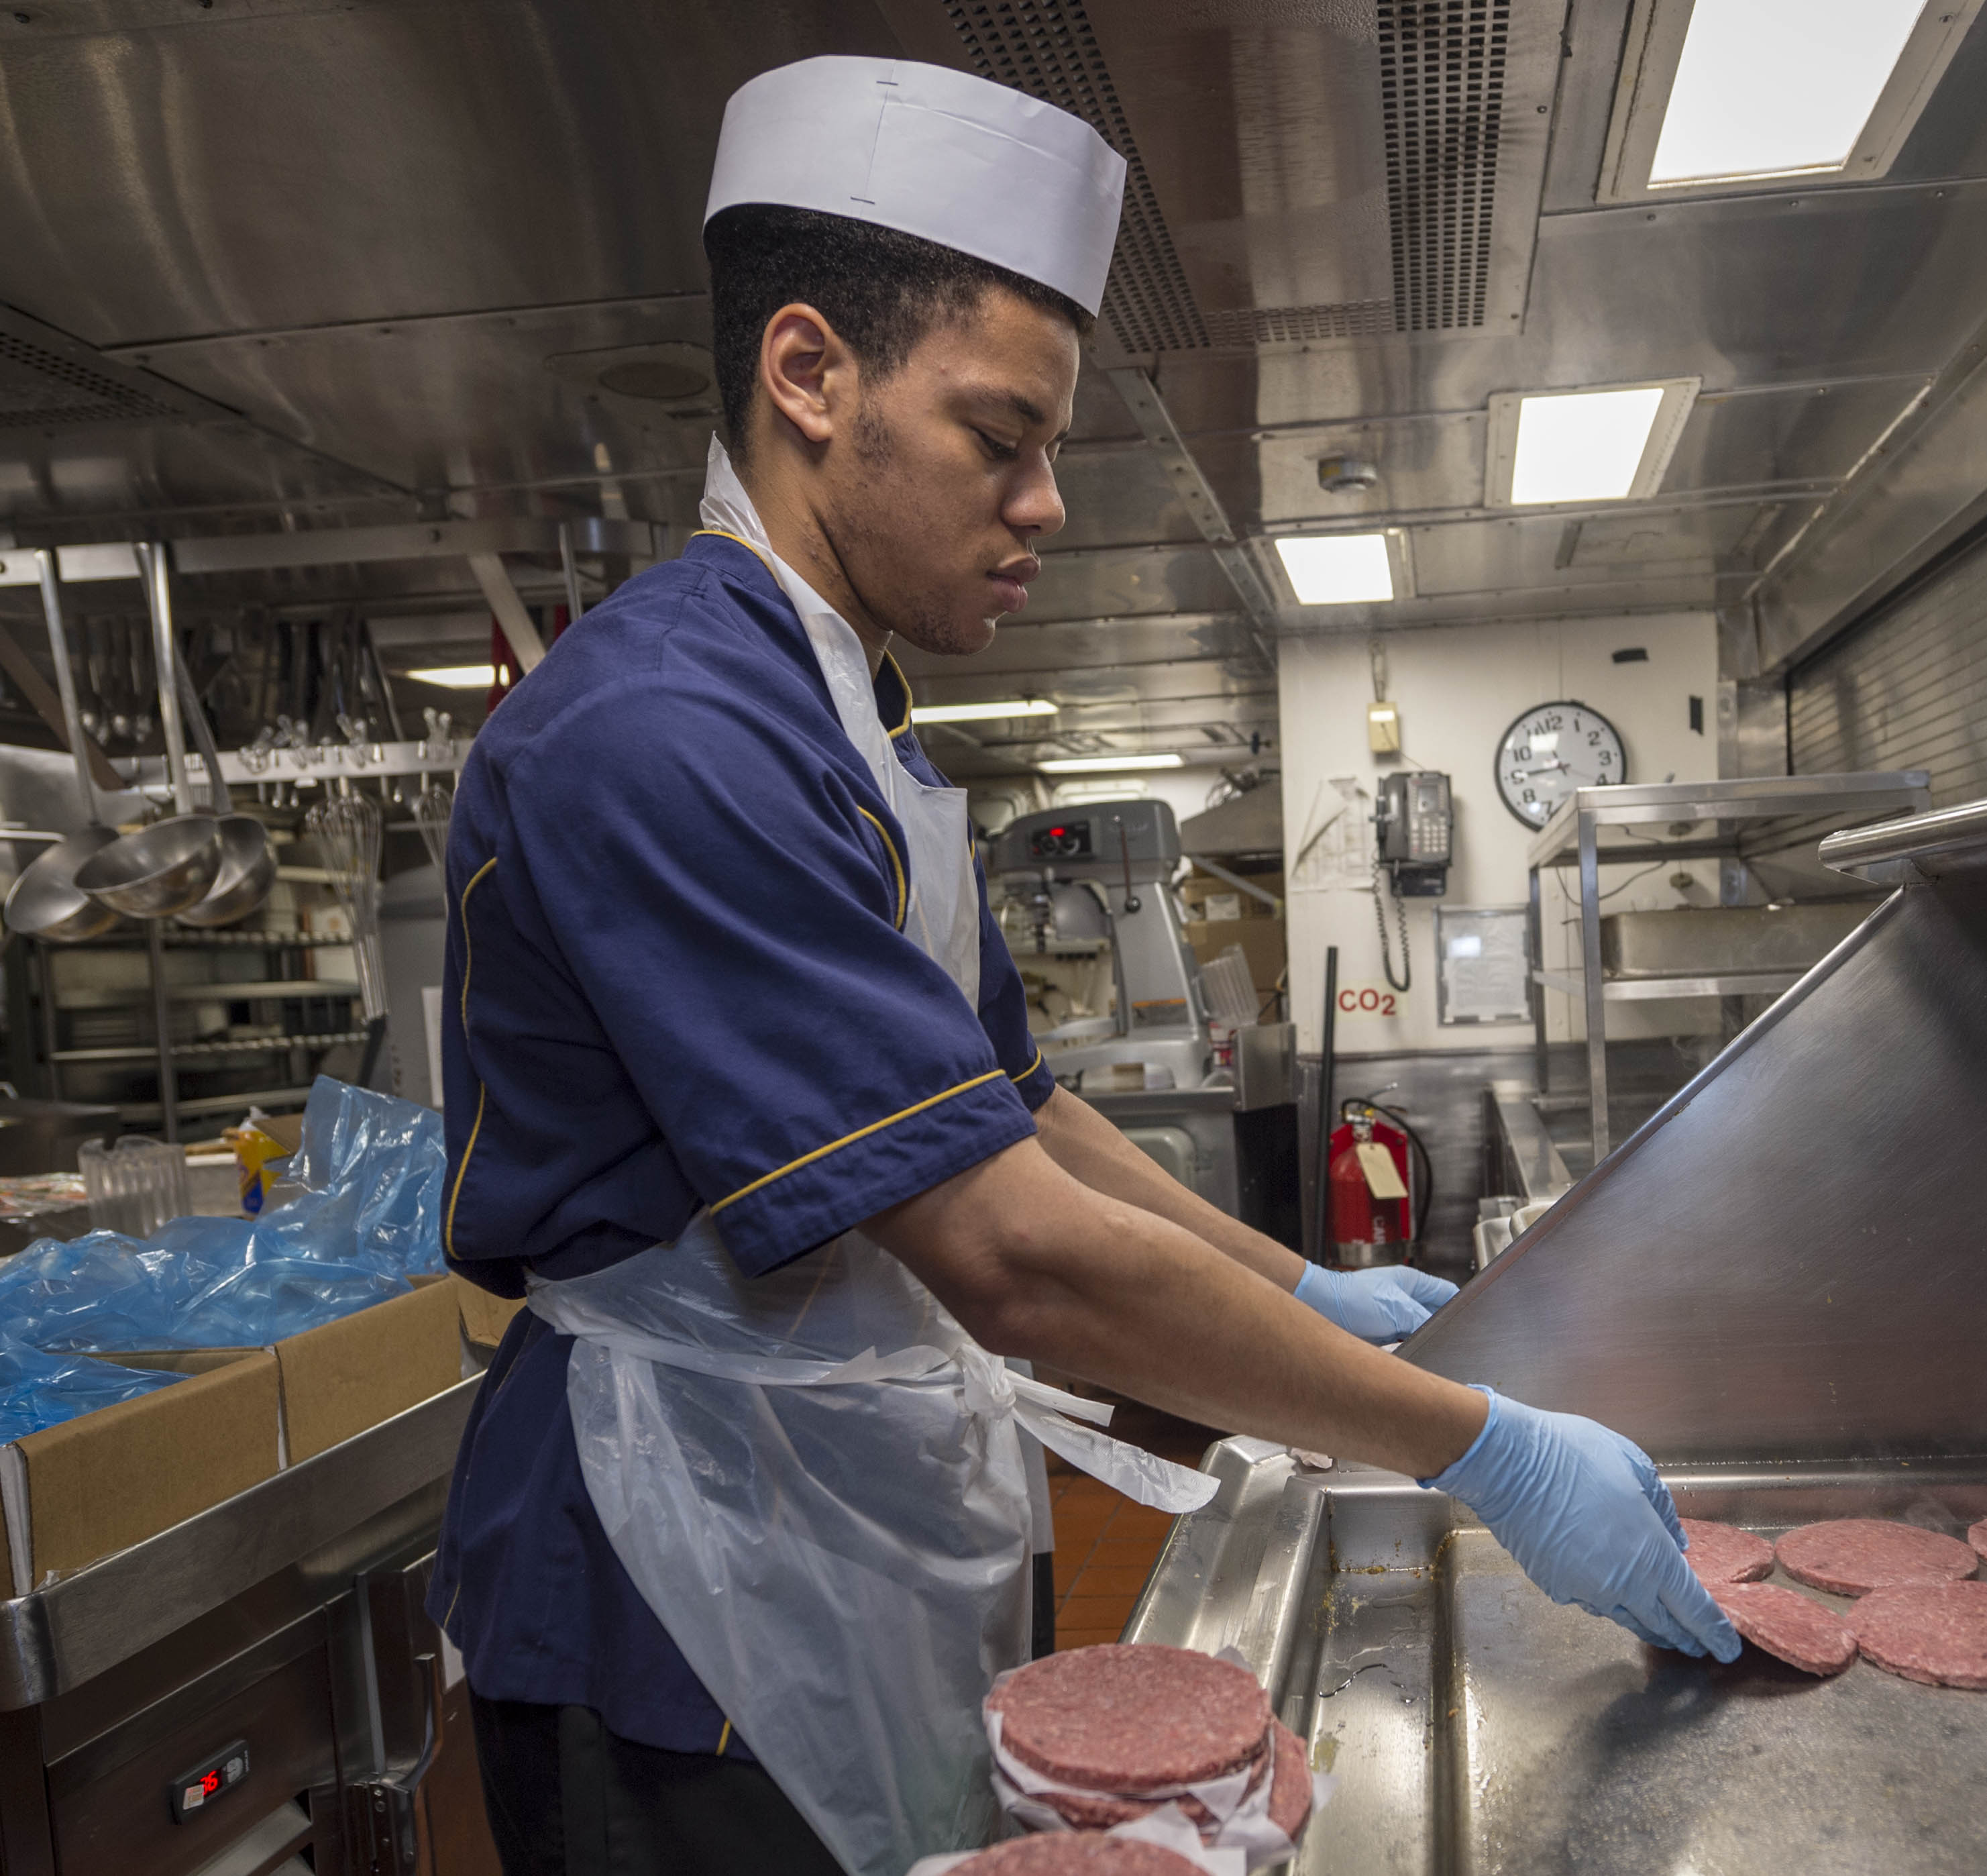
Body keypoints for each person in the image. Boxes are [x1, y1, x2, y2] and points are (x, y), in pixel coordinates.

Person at [429, 56, 1735, 1876]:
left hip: (828, 1496)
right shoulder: (663, 732)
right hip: (675, 1574)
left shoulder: (852, 728)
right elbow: (1010, 1249)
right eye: (999, 435)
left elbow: (1010, 1112)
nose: (1043, 501)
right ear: (807, 374)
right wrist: (1478, 1445)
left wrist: (1290, 1279)